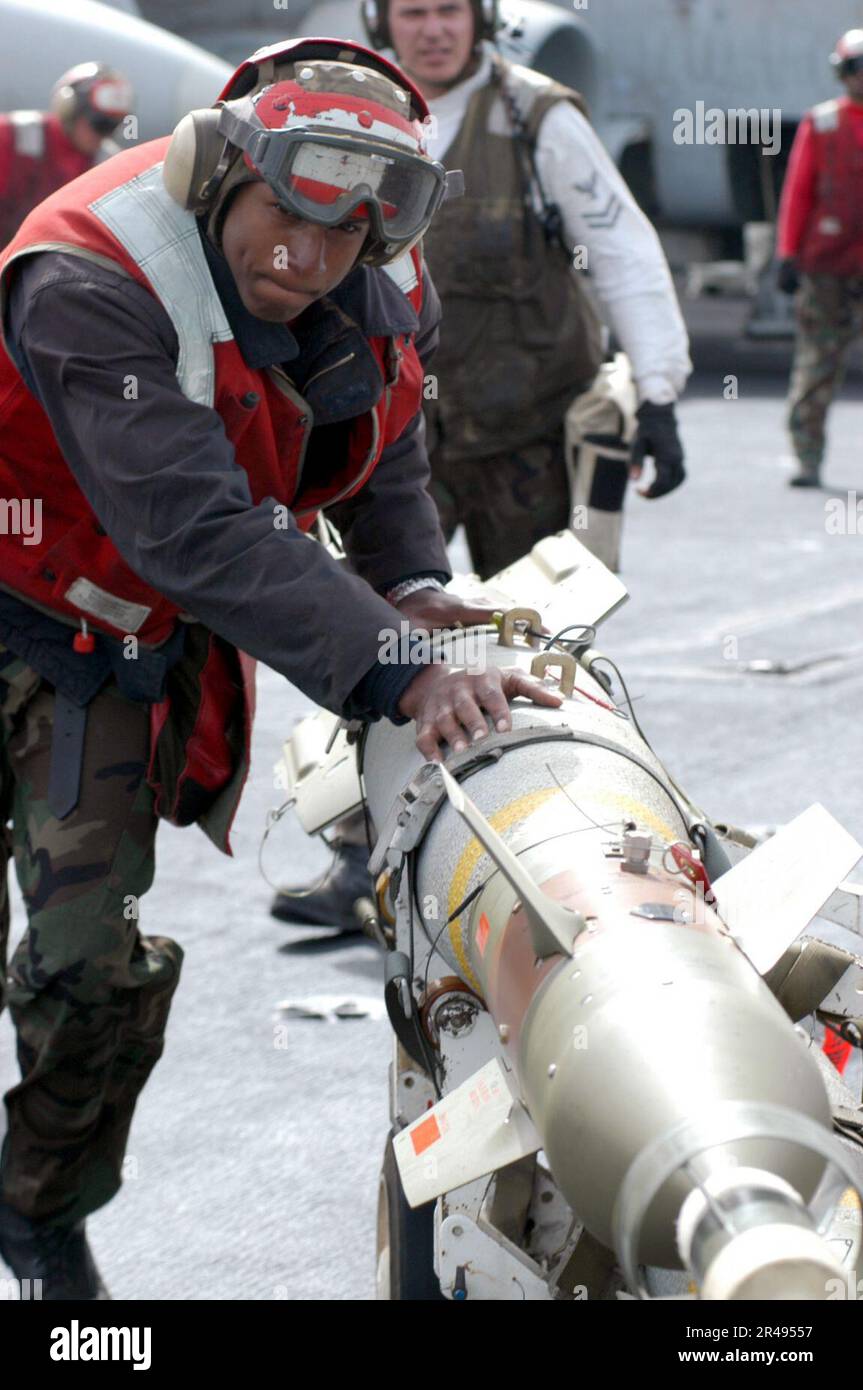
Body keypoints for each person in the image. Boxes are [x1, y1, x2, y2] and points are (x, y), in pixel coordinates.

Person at [0, 36, 563, 1299]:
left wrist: (412, 581)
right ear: (220, 171)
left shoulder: (367, 274)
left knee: (91, 969)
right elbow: (196, 529)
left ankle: (38, 1209)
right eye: (281, 220)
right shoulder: (91, 269)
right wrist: (398, 667)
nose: (302, 263)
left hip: (106, 647)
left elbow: (383, 431)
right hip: (27, 581)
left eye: (340, 239)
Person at [270, 0, 691, 931]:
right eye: (413, 12)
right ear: (386, 23)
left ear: (481, 19)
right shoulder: (364, 122)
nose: (433, 30)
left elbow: (617, 243)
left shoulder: (538, 119)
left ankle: (570, 830)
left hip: (523, 435)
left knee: (540, 638)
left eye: (449, 10)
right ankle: (370, 859)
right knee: (387, 633)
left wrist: (657, 389)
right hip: (397, 438)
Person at [776, 28, 863, 488]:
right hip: (827, 266)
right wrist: (788, 254)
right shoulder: (824, 123)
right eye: (856, 69)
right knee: (817, 364)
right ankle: (807, 456)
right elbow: (799, 191)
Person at [0, 62, 134, 247]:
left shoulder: (109, 166)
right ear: (69, 108)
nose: (102, 135)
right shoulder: (10, 137)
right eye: (98, 123)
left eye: (111, 126)